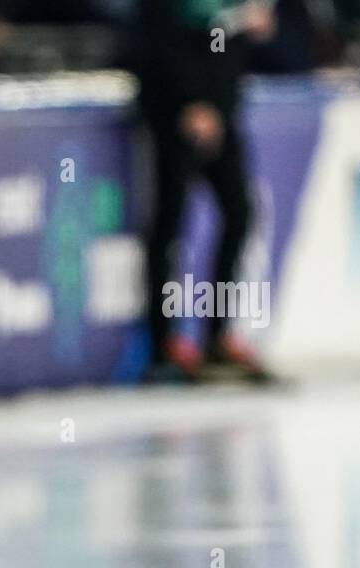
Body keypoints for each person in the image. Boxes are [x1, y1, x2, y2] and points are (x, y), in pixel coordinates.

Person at [137, 0, 276, 383]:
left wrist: (251, 28)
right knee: (170, 223)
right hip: (175, 112)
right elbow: (158, 35)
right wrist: (190, 101)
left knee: (239, 213)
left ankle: (218, 337)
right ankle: (163, 343)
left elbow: (231, 40)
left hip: (221, 108)